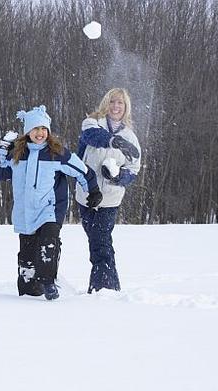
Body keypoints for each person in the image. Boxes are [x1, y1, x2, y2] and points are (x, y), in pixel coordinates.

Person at [0, 105, 102, 301]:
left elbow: (81, 170)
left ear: (48, 132)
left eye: (43, 129)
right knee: (27, 256)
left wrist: (92, 190)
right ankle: (29, 287)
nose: (40, 133)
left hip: (50, 209)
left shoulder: (57, 153)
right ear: (27, 132)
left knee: (48, 243)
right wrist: (2, 148)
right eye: (35, 129)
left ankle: (48, 281)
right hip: (26, 212)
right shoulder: (17, 155)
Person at [74, 88, 141, 293]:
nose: (116, 106)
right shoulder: (92, 123)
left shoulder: (130, 136)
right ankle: (108, 288)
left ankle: (103, 288)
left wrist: (118, 176)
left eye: (120, 103)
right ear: (106, 103)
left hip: (110, 199)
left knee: (101, 242)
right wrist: (114, 142)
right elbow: (92, 138)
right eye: (112, 102)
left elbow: (134, 169)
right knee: (97, 242)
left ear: (126, 108)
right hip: (86, 196)